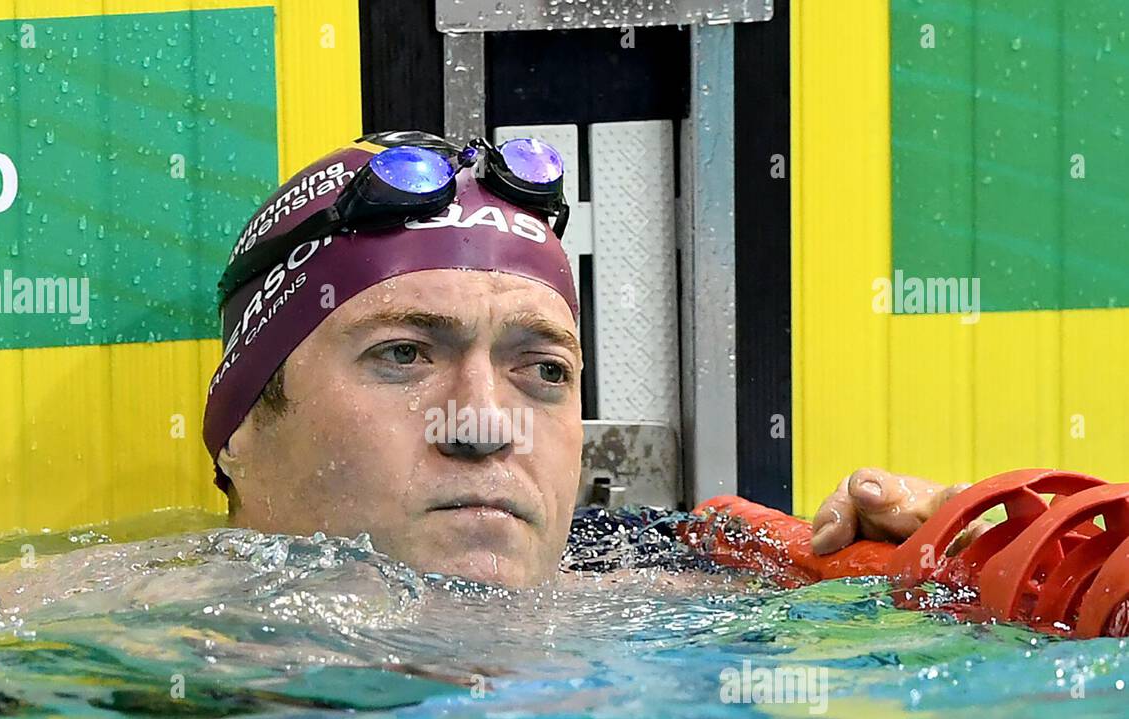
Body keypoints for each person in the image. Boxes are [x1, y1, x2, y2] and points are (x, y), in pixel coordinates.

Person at [204, 129, 984, 589]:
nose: (482, 425)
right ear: (241, 427)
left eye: (542, 370)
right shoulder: (126, 644)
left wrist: (956, 562)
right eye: (404, 354)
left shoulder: (695, 580)